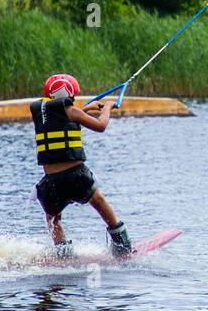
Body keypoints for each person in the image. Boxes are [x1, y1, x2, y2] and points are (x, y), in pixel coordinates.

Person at [30, 74, 132, 259]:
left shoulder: (42, 115)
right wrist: (107, 107)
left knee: (53, 219)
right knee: (99, 201)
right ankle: (122, 247)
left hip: (51, 182)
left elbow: (65, 124)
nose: (74, 100)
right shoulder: (73, 112)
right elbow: (100, 125)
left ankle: (63, 254)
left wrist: (87, 108)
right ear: (66, 94)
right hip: (76, 176)